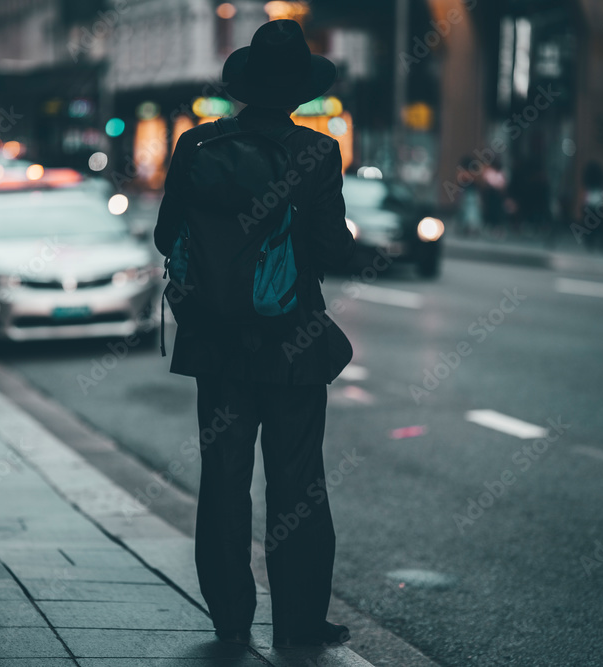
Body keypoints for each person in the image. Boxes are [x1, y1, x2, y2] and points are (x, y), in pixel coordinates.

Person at [154, 19, 356, 649]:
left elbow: (167, 237)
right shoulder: (317, 152)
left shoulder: (196, 145)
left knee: (222, 481)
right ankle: (296, 624)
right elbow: (331, 249)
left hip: (214, 344)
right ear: (298, 93)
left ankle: (230, 621)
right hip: (291, 344)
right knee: (297, 484)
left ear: (242, 88)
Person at [582, 160, 603, 253]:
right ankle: (602, 243)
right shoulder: (601, 179)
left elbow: (586, 192)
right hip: (600, 202)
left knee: (589, 224)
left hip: (590, 202)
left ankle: (590, 241)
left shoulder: (588, 179)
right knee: (601, 224)